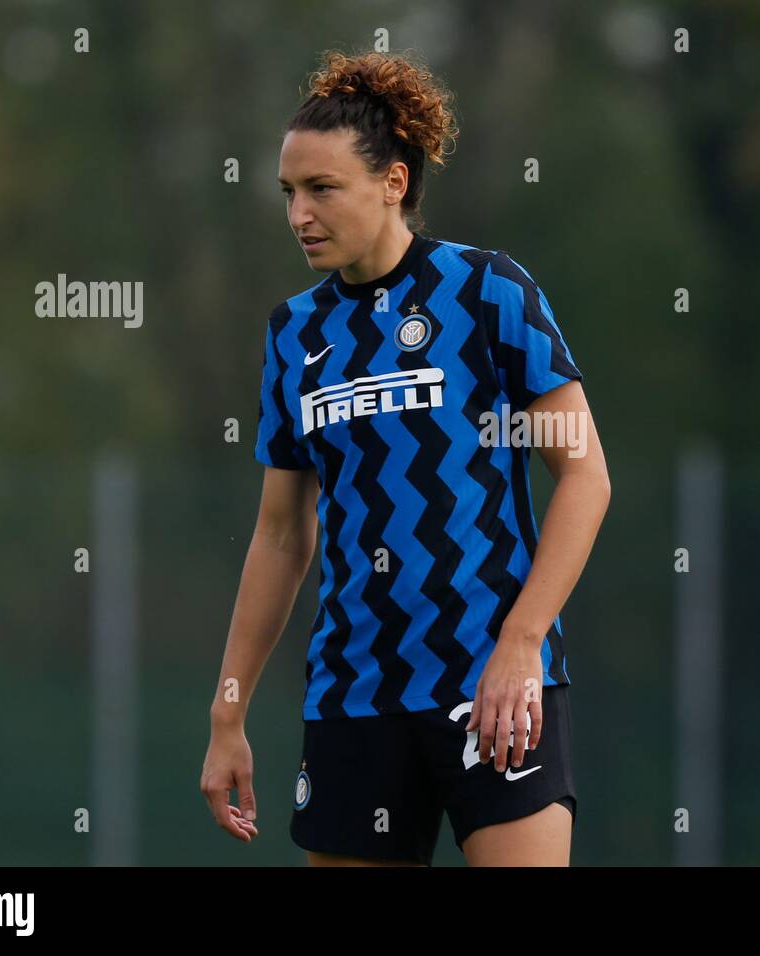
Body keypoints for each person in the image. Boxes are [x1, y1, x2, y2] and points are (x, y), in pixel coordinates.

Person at [199, 50, 610, 867]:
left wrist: (522, 644)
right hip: (355, 693)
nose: (299, 215)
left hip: (492, 683)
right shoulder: (294, 334)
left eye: (323, 189)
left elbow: (585, 477)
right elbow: (282, 537)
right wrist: (227, 715)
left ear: (393, 182)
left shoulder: (489, 293)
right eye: (289, 193)